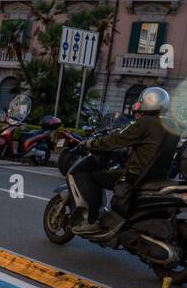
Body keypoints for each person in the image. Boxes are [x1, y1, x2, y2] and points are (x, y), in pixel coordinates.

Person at [69, 87, 180, 234]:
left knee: (93, 177)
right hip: (158, 177)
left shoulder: (145, 123)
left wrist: (91, 143)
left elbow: (116, 140)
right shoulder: (173, 125)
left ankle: (92, 220)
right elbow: (151, 146)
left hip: (136, 175)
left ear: (148, 102)